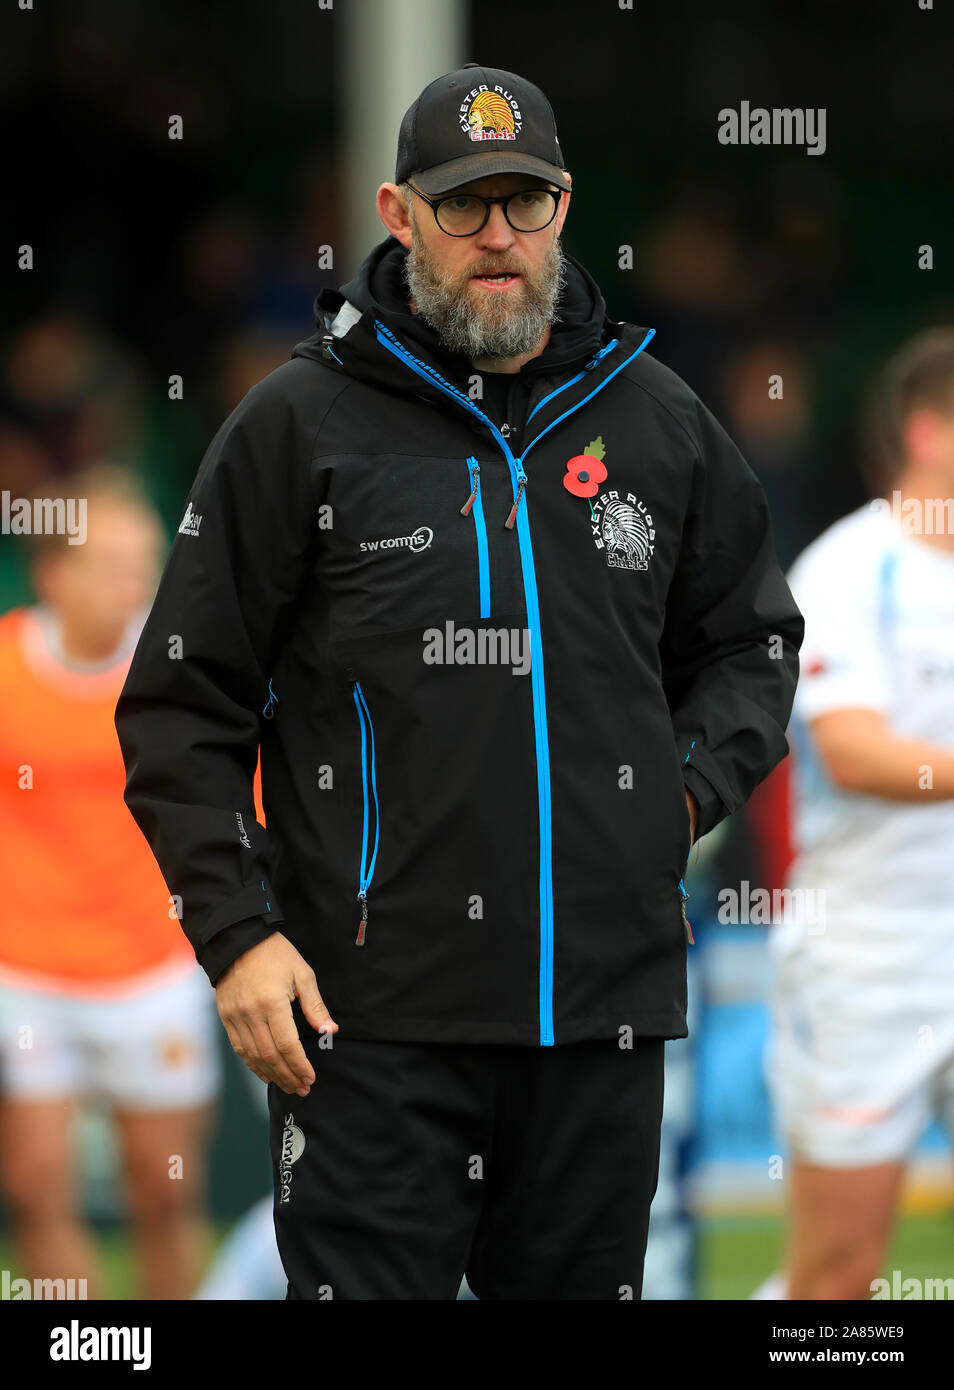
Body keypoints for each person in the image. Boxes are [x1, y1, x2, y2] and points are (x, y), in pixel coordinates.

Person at [115, 63, 802, 1300]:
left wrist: (681, 796)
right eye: (463, 203)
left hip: (601, 1017)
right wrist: (236, 935)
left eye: (524, 203)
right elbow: (182, 704)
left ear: (564, 208)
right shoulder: (295, 426)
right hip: (363, 1030)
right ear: (396, 211)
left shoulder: (657, 419)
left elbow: (750, 644)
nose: (498, 236)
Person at [758, 327, 954, 1300]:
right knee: (839, 1272)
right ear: (929, 432)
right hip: (870, 957)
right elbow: (858, 753)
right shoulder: (849, 568)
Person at [0, 464, 221, 1299]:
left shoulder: (183, 675)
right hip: (26, 977)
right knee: (36, 1184)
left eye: (148, 561)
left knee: (165, 1192)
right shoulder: (5, 670)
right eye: (116, 563)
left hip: (154, 972)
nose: (139, 582)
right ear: (56, 572)